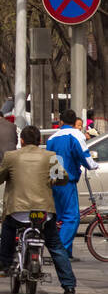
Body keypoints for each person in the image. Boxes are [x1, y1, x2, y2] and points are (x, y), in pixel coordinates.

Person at [0, 126, 76, 294]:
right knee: (55, 245)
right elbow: (62, 178)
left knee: (8, 228)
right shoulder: (51, 156)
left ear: (21, 140)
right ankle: (68, 285)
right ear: (40, 141)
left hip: (18, 212)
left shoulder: (11, 156)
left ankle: (5, 262)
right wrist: (51, 181)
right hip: (43, 213)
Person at [46, 111, 98, 260]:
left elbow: (50, 159)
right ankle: (61, 251)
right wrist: (93, 166)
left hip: (55, 178)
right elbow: (84, 155)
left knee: (60, 217)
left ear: (61, 122)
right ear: (74, 121)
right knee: (72, 217)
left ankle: (65, 252)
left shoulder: (52, 138)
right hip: (67, 180)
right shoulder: (76, 135)